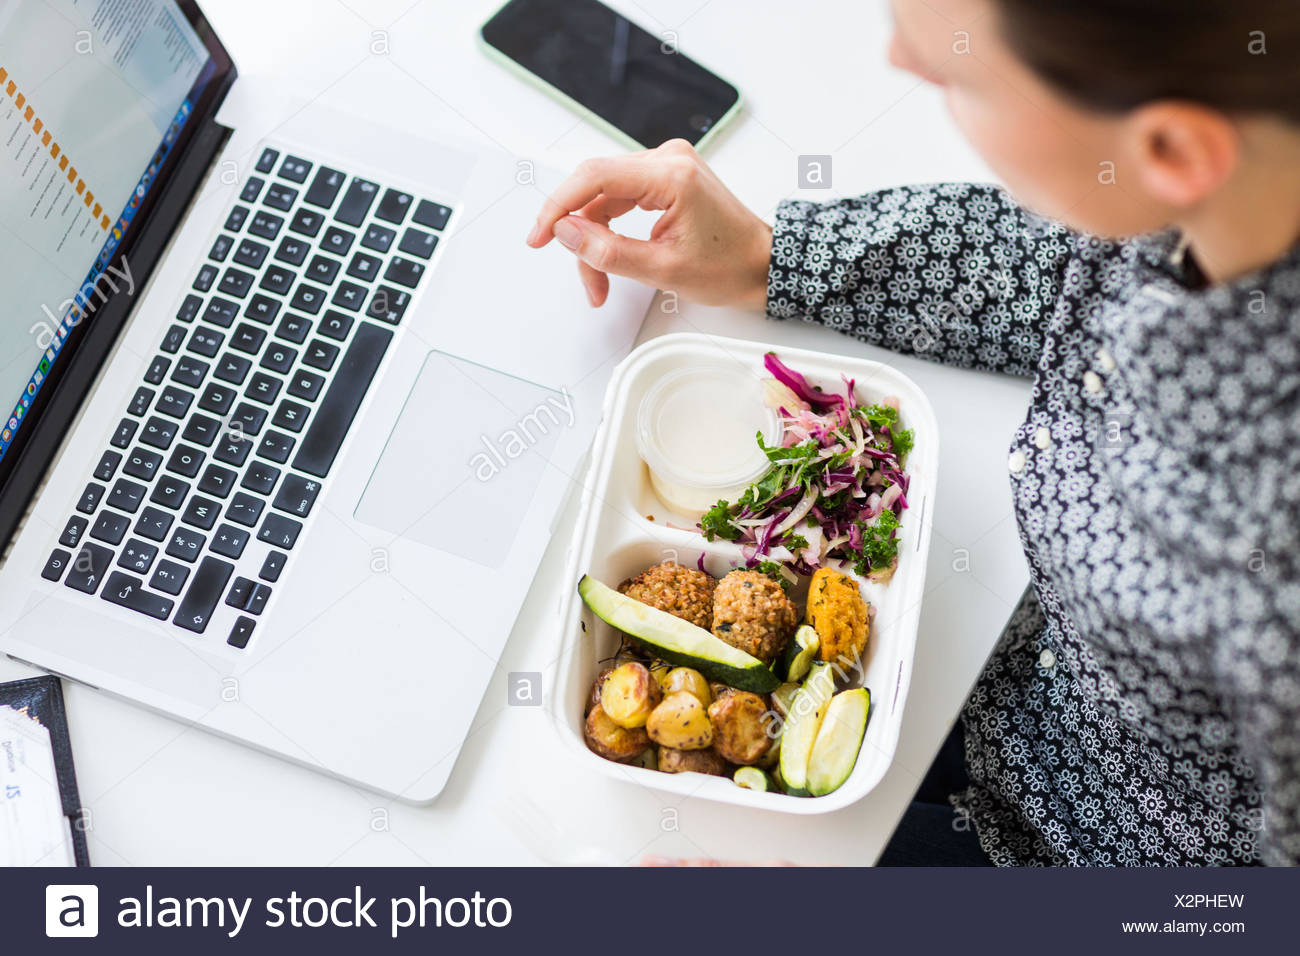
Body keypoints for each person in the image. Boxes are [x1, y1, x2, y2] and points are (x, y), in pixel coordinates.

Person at [527, 0, 1300, 866]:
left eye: (963, 73)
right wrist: (769, 254)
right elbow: (1071, 245)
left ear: (1175, 151)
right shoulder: (1228, 191)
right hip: (993, 690)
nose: (899, 59)